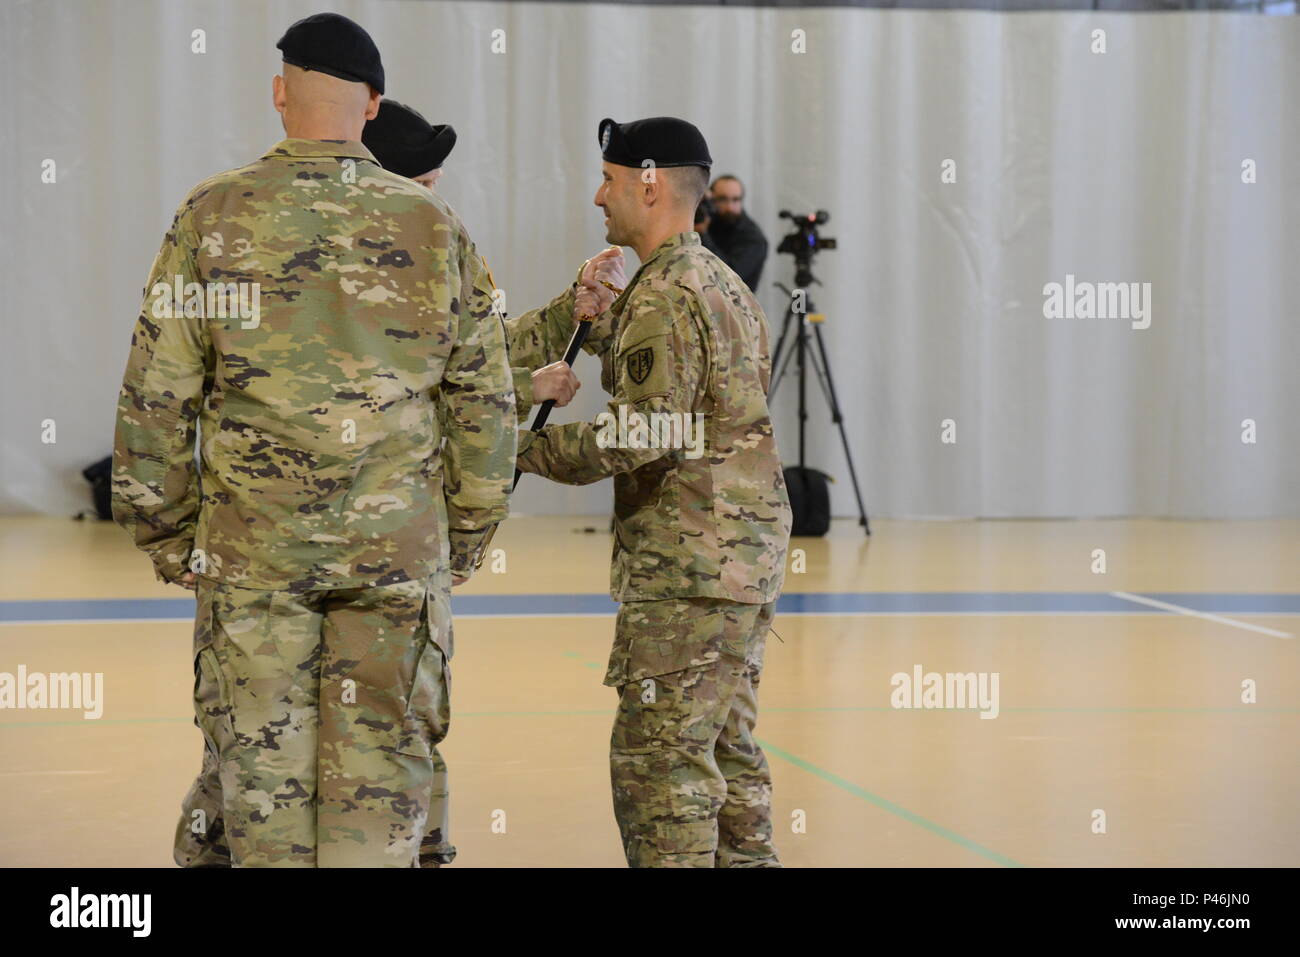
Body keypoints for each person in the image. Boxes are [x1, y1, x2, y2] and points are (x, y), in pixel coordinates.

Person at [112, 12, 516, 867]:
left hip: (253, 564)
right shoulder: (433, 227)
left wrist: (171, 537)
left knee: (263, 803)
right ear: (373, 105)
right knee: (379, 807)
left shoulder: (212, 215)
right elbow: (486, 406)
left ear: (277, 95)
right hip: (395, 564)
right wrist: (463, 539)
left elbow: (156, 397)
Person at [494, 117, 793, 867]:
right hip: (738, 564)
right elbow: (663, 375)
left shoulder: (666, 295)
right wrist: (586, 313)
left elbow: (641, 432)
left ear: (650, 183)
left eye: (610, 180)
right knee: (726, 751)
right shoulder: (718, 281)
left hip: (689, 573)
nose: (600, 197)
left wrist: (516, 446)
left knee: (661, 771)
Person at [706, 174, 768, 292]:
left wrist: (702, 234)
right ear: (711, 199)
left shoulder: (753, 238)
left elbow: (729, 276)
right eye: (722, 199)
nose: (730, 207)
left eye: (736, 200)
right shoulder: (710, 223)